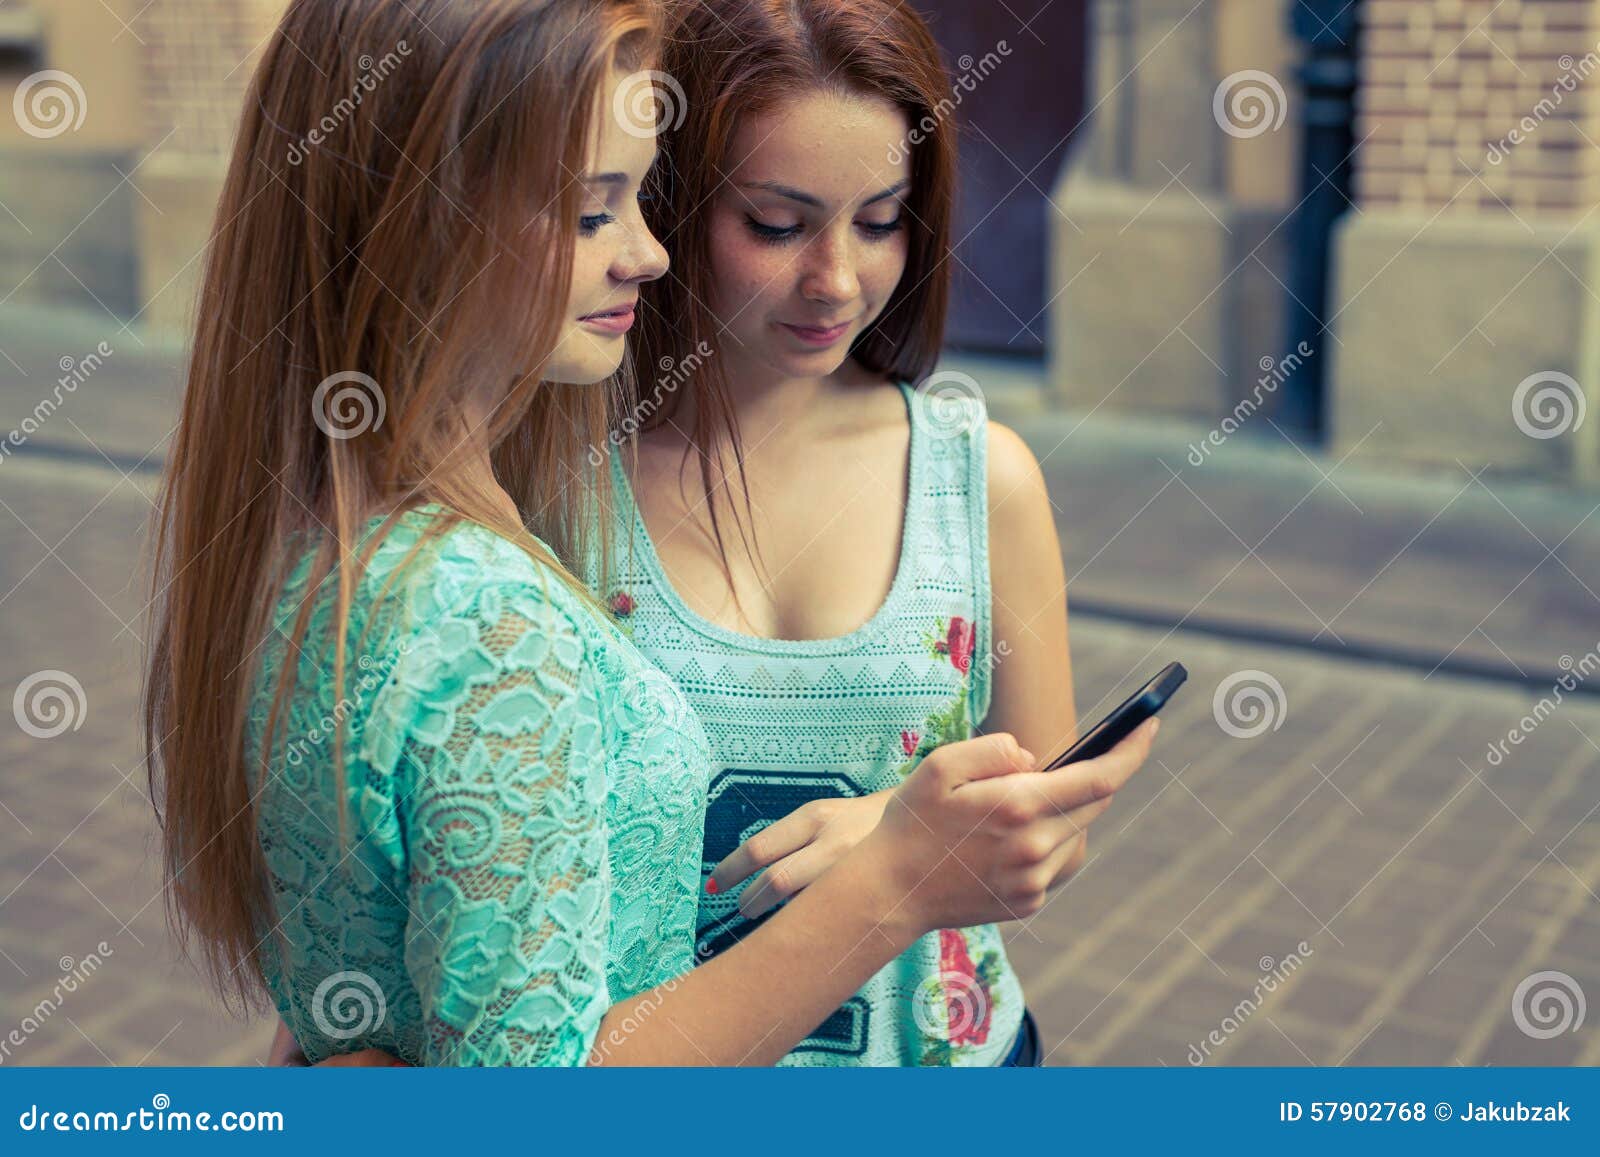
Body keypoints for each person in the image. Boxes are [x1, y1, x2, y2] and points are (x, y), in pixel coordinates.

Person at [145, 0, 1157, 1067]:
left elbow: (1039, 807)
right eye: (774, 221)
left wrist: (911, 836)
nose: (838, 280)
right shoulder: (537, 476)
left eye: (882, 218)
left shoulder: (975, 473)